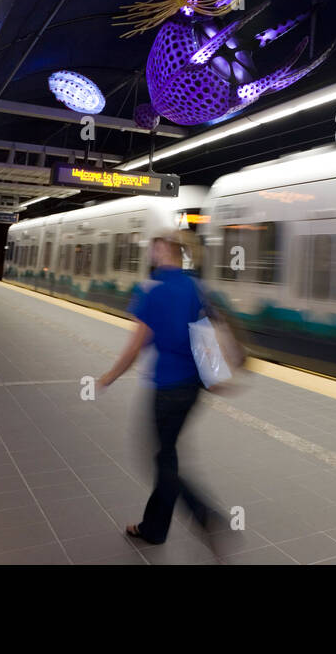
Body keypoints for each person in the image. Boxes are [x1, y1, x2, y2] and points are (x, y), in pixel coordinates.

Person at [98, 227, 222, 553]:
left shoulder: (151, 289)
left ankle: (203, 512)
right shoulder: (196, 286)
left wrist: (110, 376)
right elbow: (207, 335)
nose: (151, 254)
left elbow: (135, 346)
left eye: (154, 249)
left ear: (165, 250)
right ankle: (154, 528)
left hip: (167, 388)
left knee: (162, 460)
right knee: (167, 455)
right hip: (194, 387)